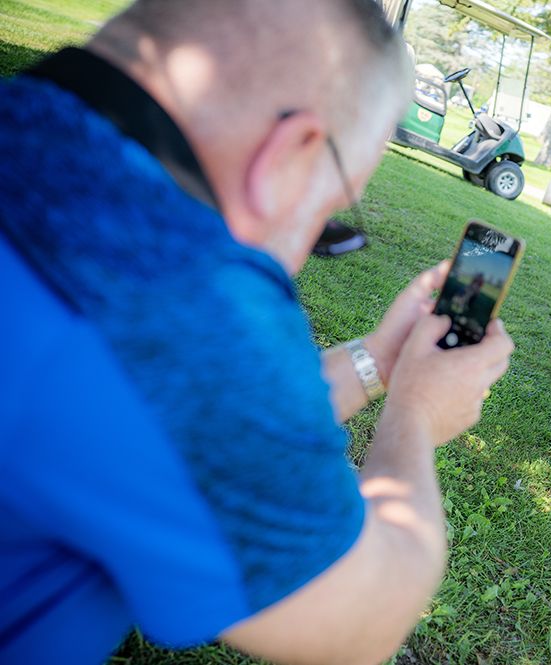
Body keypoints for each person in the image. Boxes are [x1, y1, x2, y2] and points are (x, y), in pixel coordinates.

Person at [0, 1, 514, 664]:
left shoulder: (33, 141)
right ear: (293, 152)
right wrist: (417, 411)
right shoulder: (172, 305)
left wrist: (381, 361)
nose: (299, 260)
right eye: (330, 217)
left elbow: (188, 439)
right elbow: (357, 622)